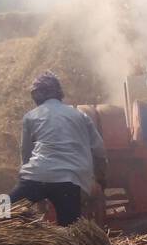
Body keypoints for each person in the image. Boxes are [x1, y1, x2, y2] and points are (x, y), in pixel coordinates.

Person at [9, 71, 107, 226]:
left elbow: (26, 154)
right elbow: (99, 149)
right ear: (58, 93)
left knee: (3, 210)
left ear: (37, 95)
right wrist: (101, 175)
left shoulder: (31, 116)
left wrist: (26, 184)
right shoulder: (80, 115)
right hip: (71, 180)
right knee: (70, 231)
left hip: (37, 176)